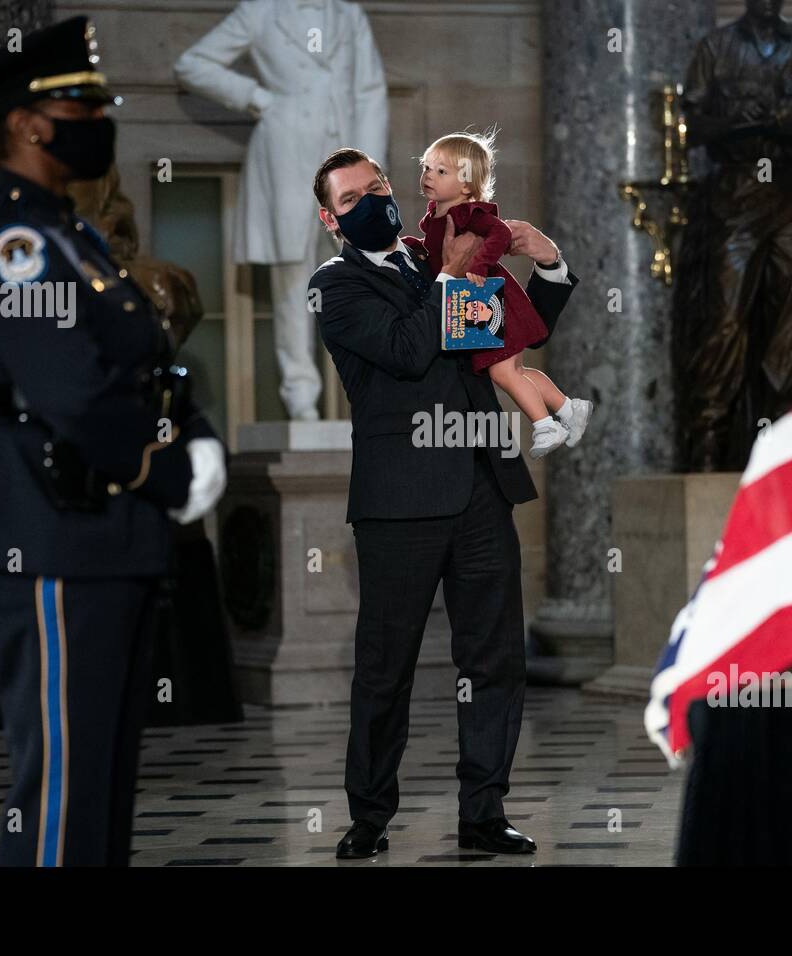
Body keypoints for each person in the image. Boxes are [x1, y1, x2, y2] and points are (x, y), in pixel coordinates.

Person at [0, 16, 226, 866]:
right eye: (81, 105)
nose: (98, 120)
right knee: (63, 788)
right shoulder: (16, 242)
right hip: (51, 532)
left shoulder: (70, 234)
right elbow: (72, 389)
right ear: (30, 125)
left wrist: (191, 429)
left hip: (101, 536)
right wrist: (171, 466)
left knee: (101, 779)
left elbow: (141, 363)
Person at [308, 147, 577, 858]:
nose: (373, 199)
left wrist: (546, 264)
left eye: (379, 186)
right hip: (400, 500)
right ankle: (369, 815)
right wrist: (454, 274)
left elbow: (506, 332)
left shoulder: (436, 250)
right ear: (330, 219)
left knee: (494, 660)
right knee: (385, 664)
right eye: (352, 196)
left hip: (481, 486)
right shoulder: (334, 287)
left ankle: (483, 813)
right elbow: (402, 349)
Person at [173, 0, 389, 420]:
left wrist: (370, 174)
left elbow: (370, 92)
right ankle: (301, 394)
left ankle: (360, 390)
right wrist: (258, 98)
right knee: (294, 277)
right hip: (287, 157)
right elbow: (193, 63)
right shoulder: (261, 12)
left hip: (345, 163)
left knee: (359, 276)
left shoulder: (347, 14)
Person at [677, 0, 792, 472]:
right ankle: (709, 440)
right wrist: (738, 122)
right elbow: (690, 126)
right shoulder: (716, 47)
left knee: (791, 320)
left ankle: (789, 437)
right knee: (726, 317)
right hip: (736, 189)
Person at [417, 131, 593, 458]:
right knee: (515, 371)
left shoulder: (469, 213)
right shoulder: (436, 216)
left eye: (441, 171)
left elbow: (500, 231)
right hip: (470, 297)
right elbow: (435, 254)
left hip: (489, 296)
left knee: (503, 370)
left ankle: (545, 424)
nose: (428, 175)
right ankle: (569, 409)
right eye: (427, 167)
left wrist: (482, 264)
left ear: (467, 185)